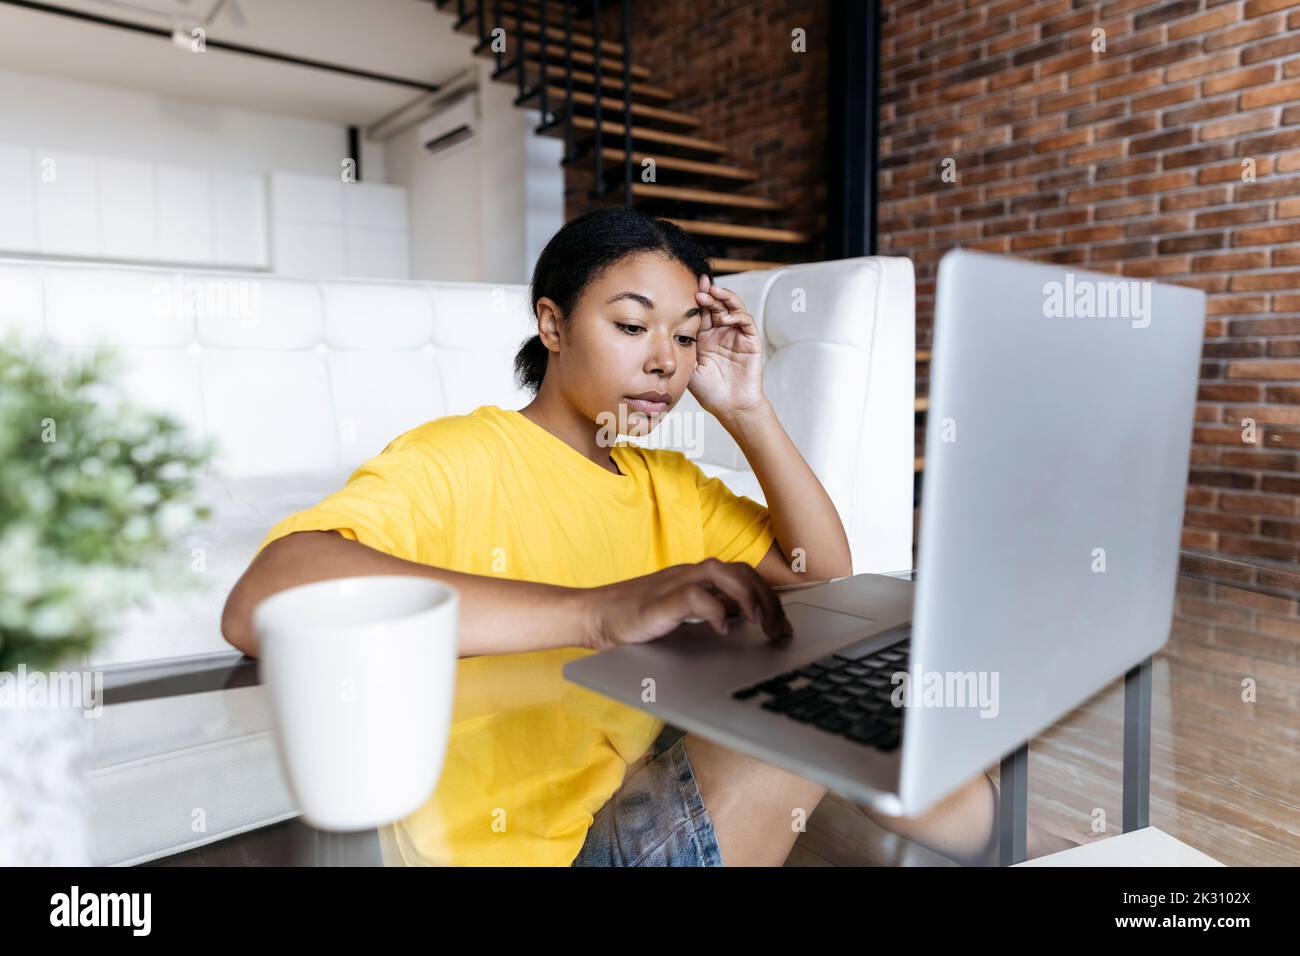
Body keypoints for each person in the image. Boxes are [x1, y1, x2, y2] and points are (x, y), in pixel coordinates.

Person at [221, 206, 1075, 866]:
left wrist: (747, 408)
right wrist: (599, 612)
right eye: (632, 327)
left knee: (833, 661)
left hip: (632, 801)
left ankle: (1009, 837)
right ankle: (1001, 832)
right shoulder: (463, 453)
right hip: (522, 855)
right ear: (552, 326)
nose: (664, 360)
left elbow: (823, 576)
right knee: (817, 703)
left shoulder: (668, 484)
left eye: (685, 337)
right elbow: (265, 595)